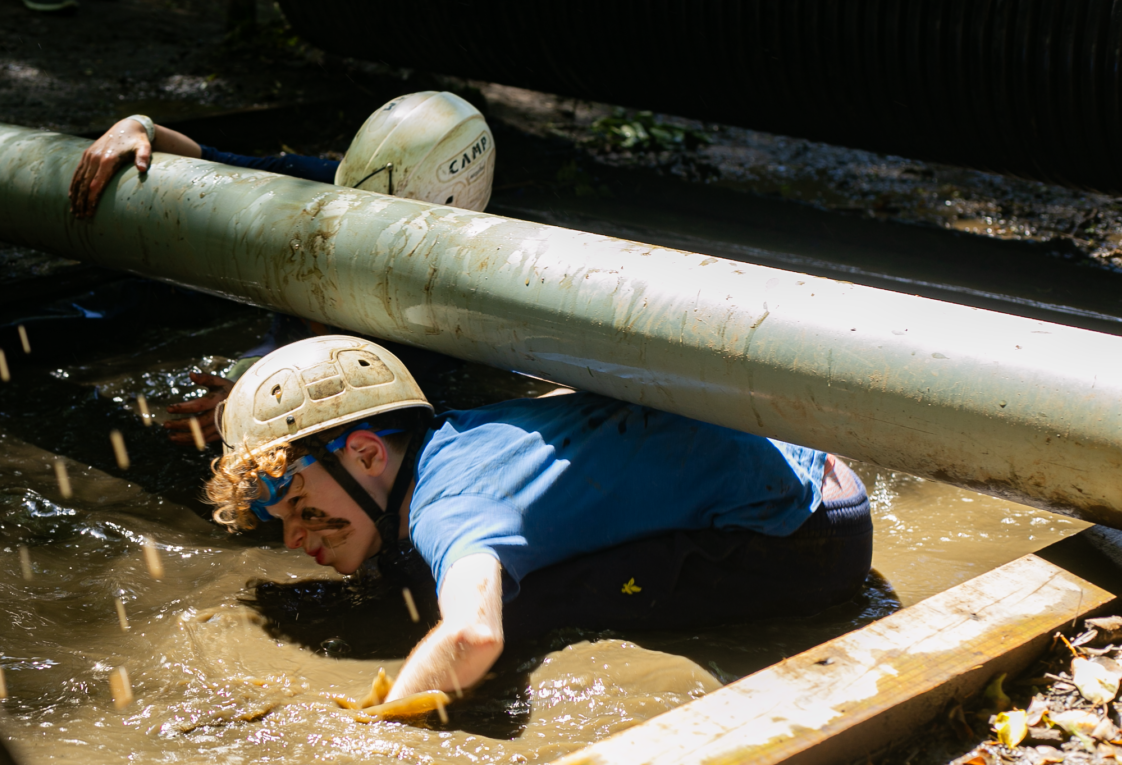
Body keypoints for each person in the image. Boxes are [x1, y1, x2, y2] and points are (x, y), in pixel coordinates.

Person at [207, 336, 873, 705]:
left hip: (808, 538)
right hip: (811, 467)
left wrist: (380, 721)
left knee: (524, 605)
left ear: (366, 453)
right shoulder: (454, 435)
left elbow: (472, 636)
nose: (293, 537)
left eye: (299, 505)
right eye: (276, 518)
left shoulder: (446, 510)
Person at [67, 92, 496, 444]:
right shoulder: (320, 185)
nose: (359, 220)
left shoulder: (465, 279)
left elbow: (380, 396)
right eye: (356, 203)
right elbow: (212, 164)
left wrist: (256, 403)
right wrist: (139, 127)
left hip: (383, 403)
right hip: (278, 358)